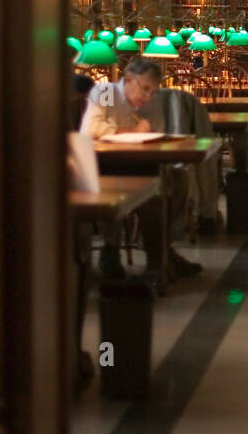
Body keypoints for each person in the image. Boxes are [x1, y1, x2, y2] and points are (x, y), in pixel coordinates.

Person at [79, 58, 203, 280]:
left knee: (178, 178)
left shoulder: (151, 103)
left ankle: (162, 248)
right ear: (128, 80)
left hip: (139, 161)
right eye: (144, 89)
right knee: (152, 186)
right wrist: (130, 131)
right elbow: (93, 128)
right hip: (102, 165)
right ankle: (112, 249)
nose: (147, 97)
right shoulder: (107, 92)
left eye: (152, 92)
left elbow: (157, 136)